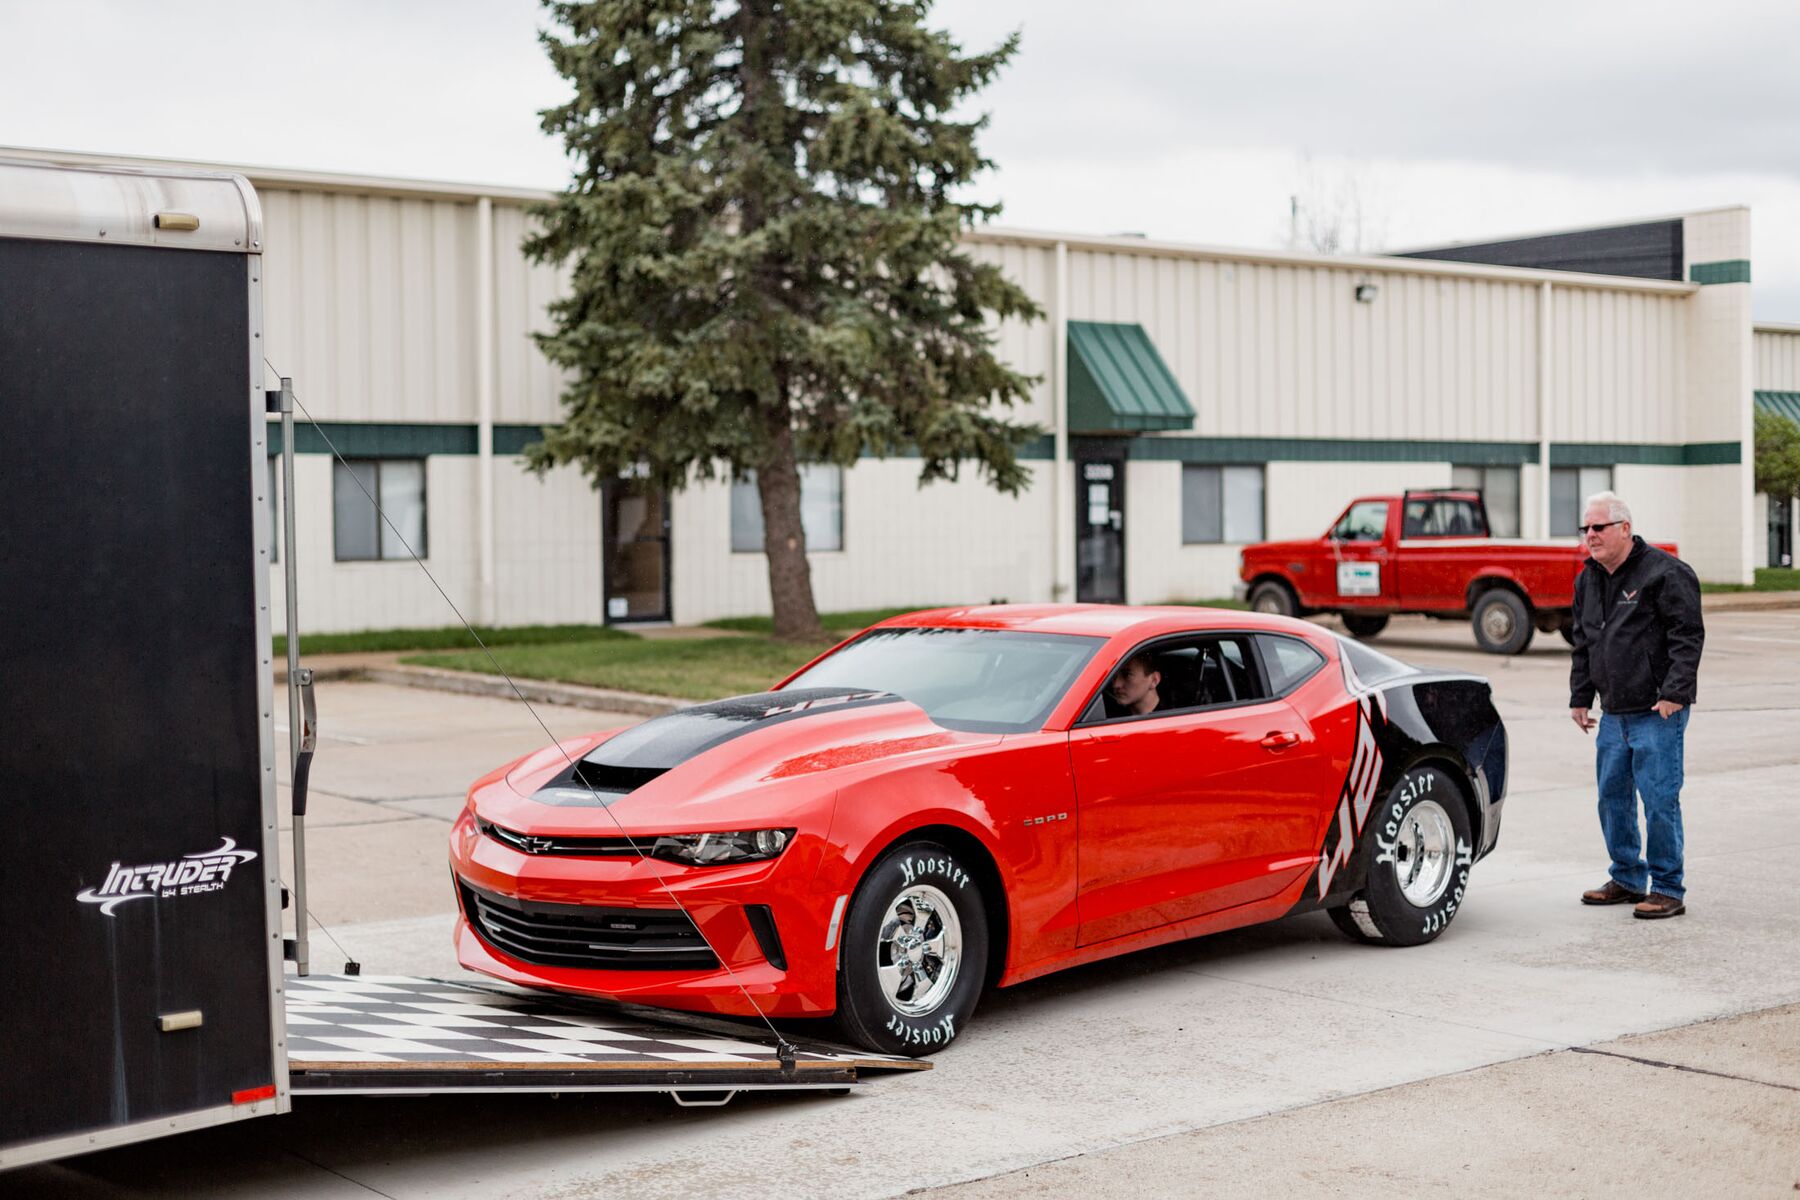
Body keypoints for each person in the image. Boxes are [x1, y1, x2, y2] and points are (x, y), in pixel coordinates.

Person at [1568, 491, 1705, 919]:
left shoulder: (1665, 573)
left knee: (1659, 799)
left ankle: (1667, 887)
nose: (1590, 535)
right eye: (1586, 528)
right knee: (1613, 798)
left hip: (1656, 712)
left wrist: (1674, 693)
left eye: (1599, 527)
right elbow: (1583, 642)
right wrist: (1580, 697)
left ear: (1625, 528)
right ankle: (1627, 877)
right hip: (1613, 712)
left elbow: (1687, 636)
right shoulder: (1587, 579)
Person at [1107, 652, 1162, 716]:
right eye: (1114, 676)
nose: (1116, 685)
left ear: (1154, 680)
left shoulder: (1170, 718)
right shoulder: (1112, 714)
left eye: (1127, 675)